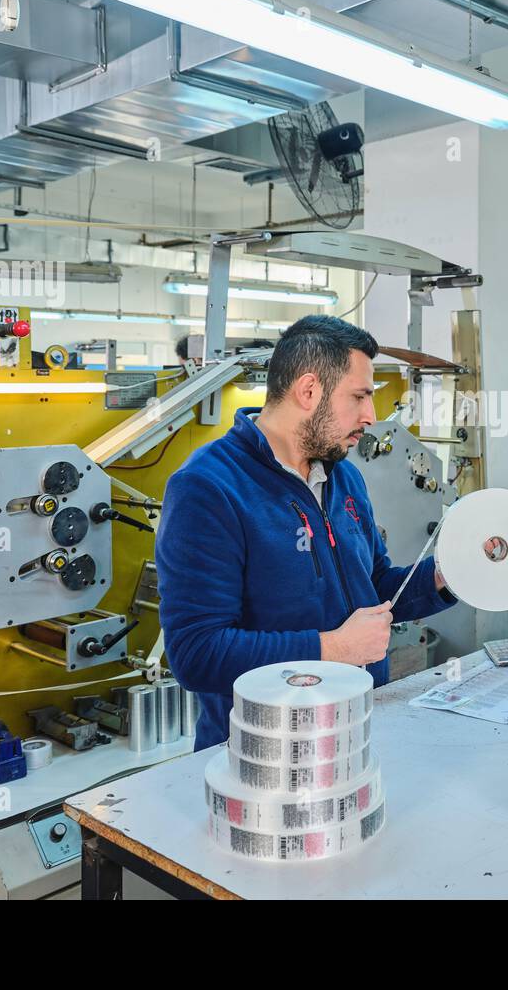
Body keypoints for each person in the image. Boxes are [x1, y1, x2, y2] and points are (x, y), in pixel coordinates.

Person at [155, 315, 457, 749]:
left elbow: (373, 588)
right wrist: (333, 649)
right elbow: (198, 654)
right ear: (308, 390)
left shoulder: (344, 478)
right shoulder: (208, 487)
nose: (371, 416)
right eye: (360, 397)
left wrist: (444, 576)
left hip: (355, 730)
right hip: (261, 754)